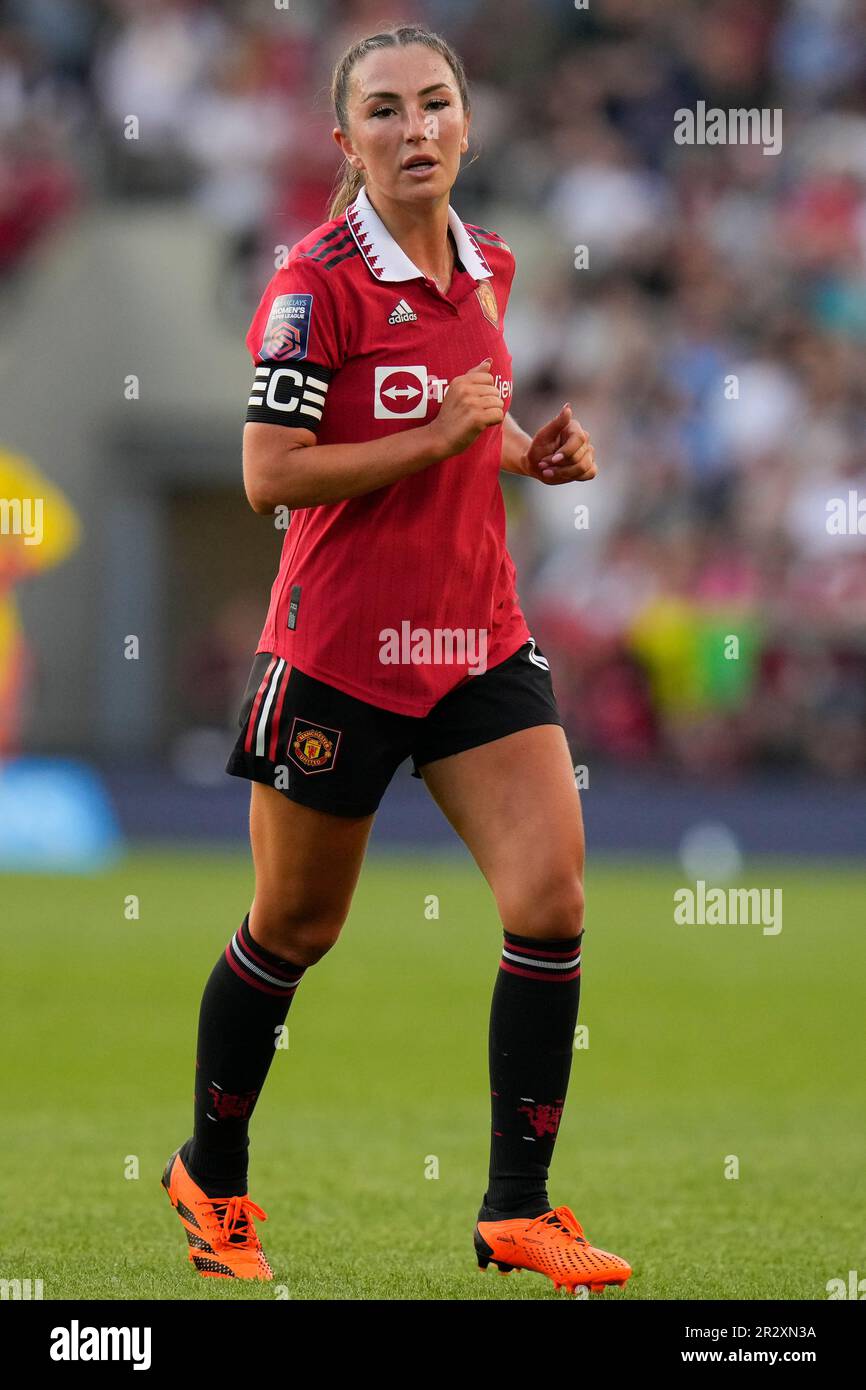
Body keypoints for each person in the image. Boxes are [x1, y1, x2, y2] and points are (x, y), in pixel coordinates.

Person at [162, 22, 631, 1297]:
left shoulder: (489, 264)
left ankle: (514, 1211)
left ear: (467, 124)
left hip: (477, 637)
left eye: (433, 105)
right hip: (338, 655)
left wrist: (524, 452)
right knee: (295, 926)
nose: (413, 128)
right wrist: (438, 445)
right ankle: (211, 1171)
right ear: (346, 140)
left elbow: (461, 409)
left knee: (551, 901)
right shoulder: (314, 287)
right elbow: (268, 477)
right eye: (385, 111)